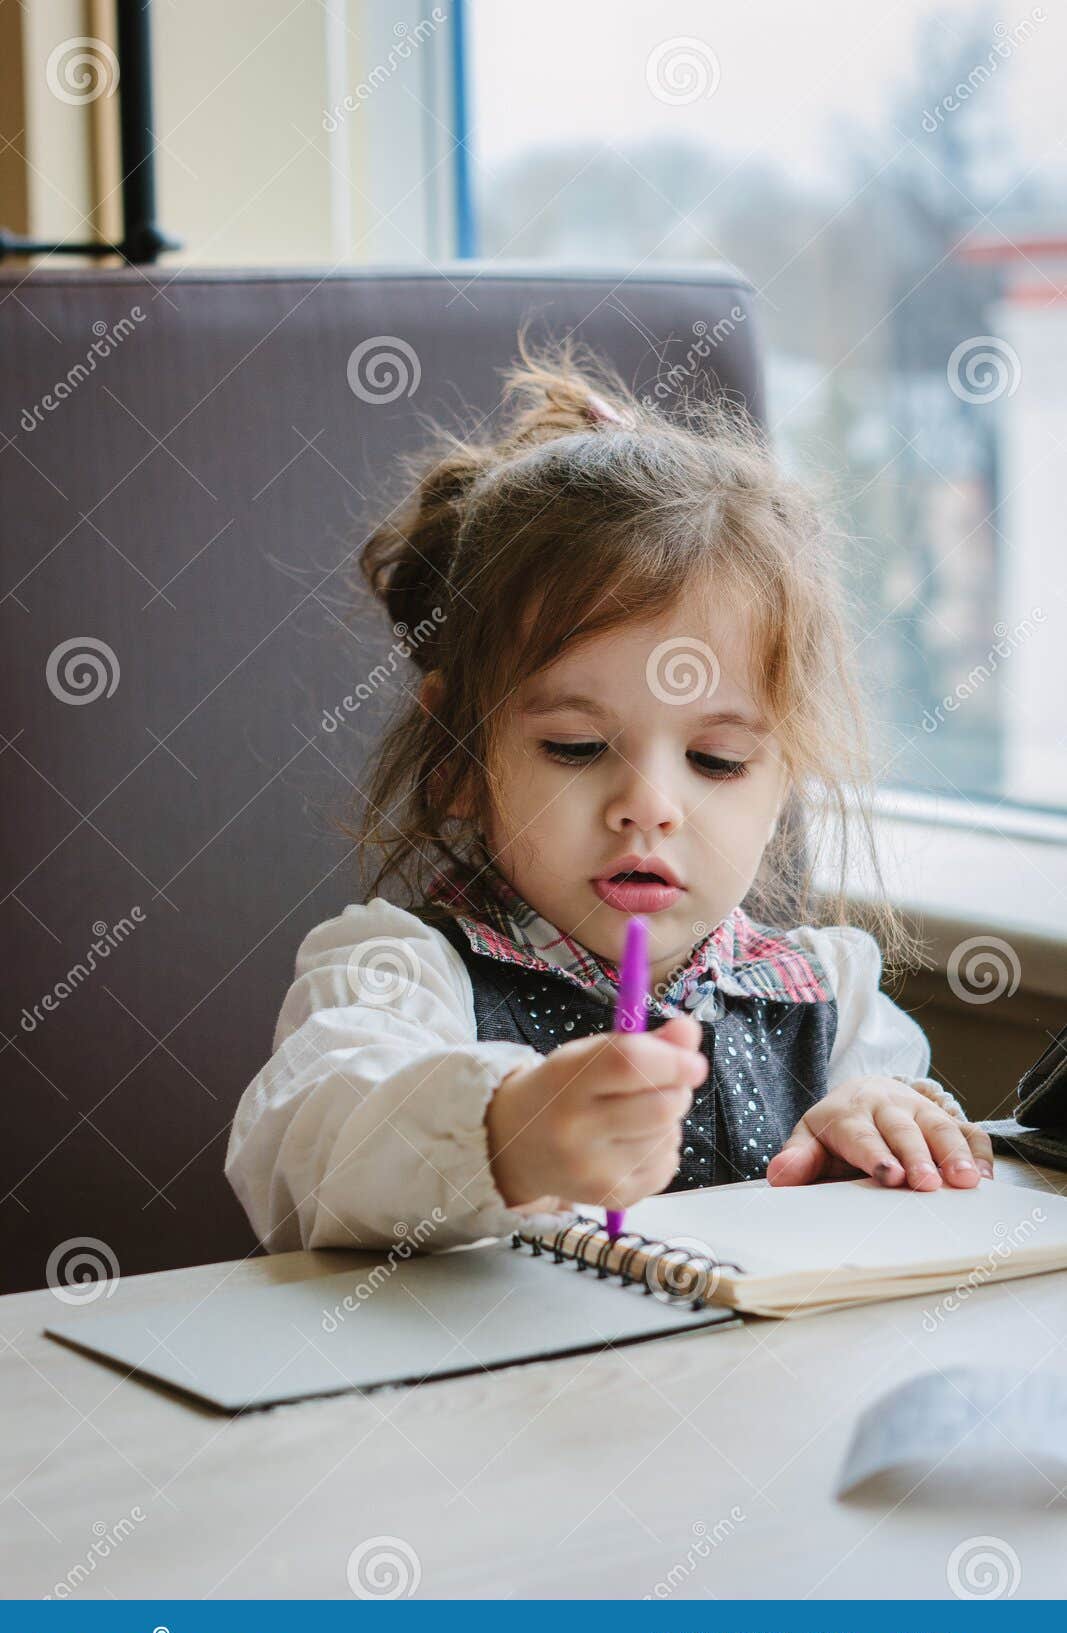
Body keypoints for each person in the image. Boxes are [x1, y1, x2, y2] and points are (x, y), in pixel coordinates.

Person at [225, 335, 993, 1255]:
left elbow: (913, 1205)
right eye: (576, 746)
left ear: (787, 770)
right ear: (459, 753)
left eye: (716, 760)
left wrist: (885, 1126)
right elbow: (305, 1151)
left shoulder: (833, 997)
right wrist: (507, 1131)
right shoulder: (395, 971)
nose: (649, 806)